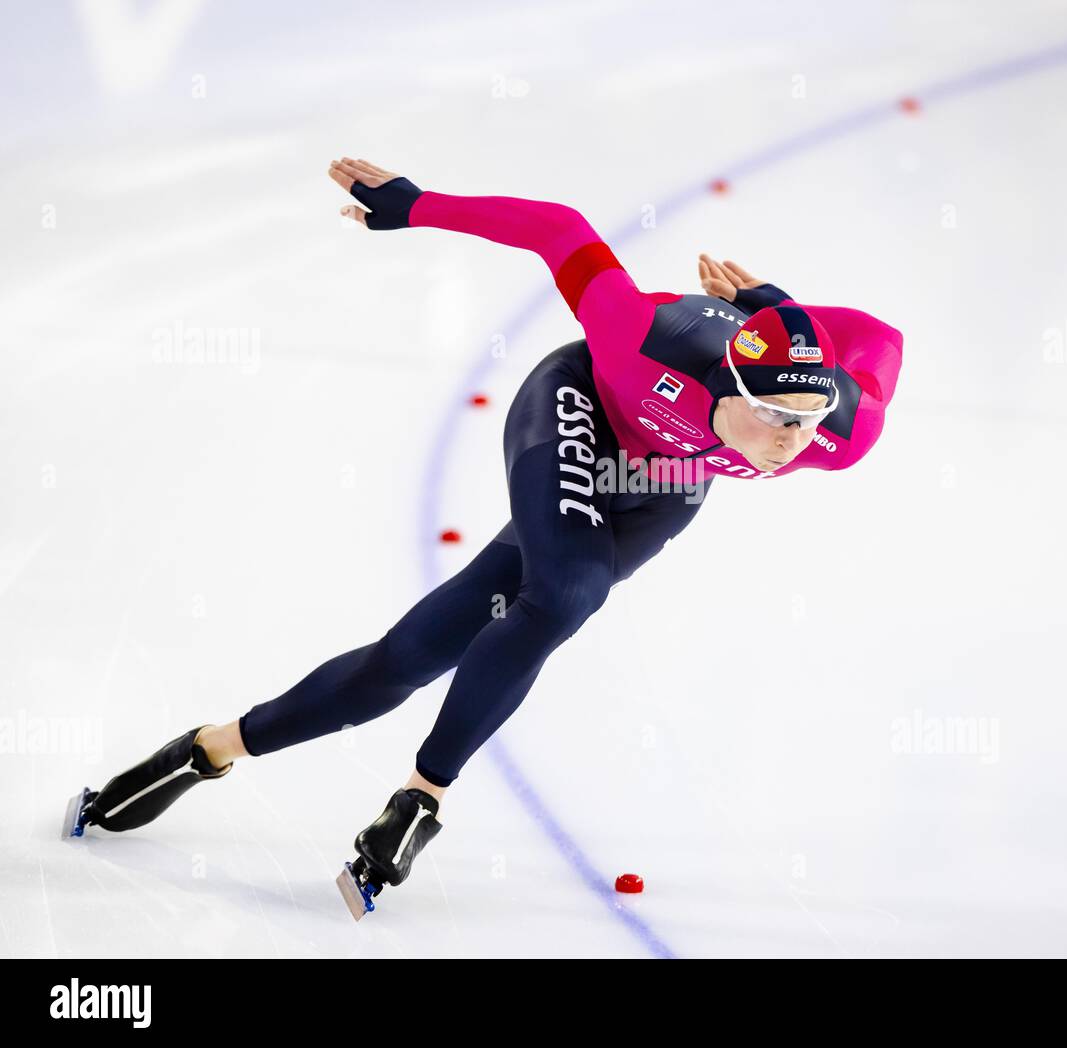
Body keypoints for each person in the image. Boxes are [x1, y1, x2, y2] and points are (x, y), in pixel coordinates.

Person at [67, 157, 904, 911]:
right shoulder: (639, 338)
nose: (793, 439)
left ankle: (207, 749)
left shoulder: (836, 433)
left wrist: (780, 308)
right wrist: (417, 205)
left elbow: (881, 344)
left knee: (405, 663)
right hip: (580, 407)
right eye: (772, 415)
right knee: (567, 591)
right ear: (732, 379)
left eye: (808, 416)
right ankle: (421, 798)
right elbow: (560, 231)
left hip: (666, 483)